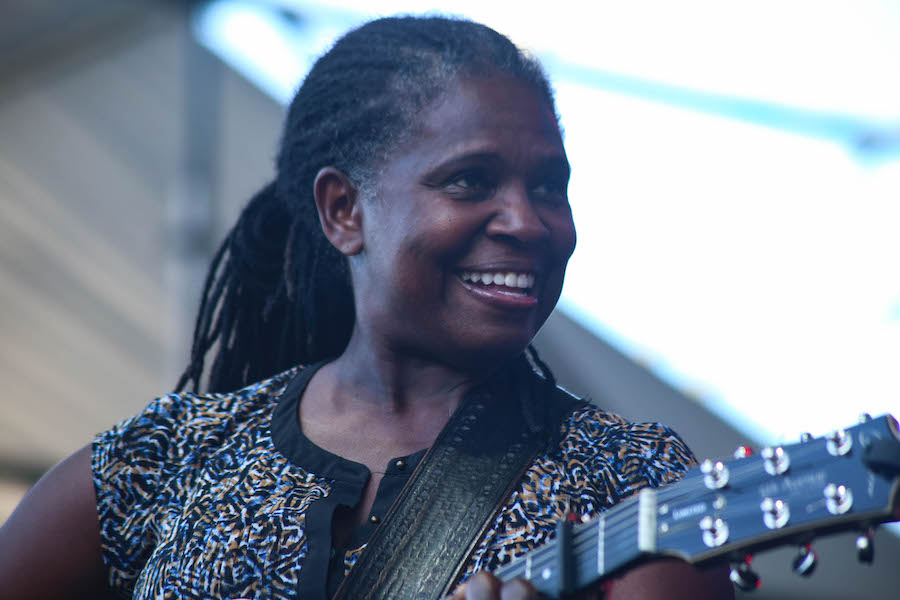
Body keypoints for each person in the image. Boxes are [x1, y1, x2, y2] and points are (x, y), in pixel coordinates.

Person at [0, 15, 733, 600]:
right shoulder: (169, 457)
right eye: (471, 181)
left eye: (549, 185)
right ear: (344, 211)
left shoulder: (630, 480)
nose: (529, 222)